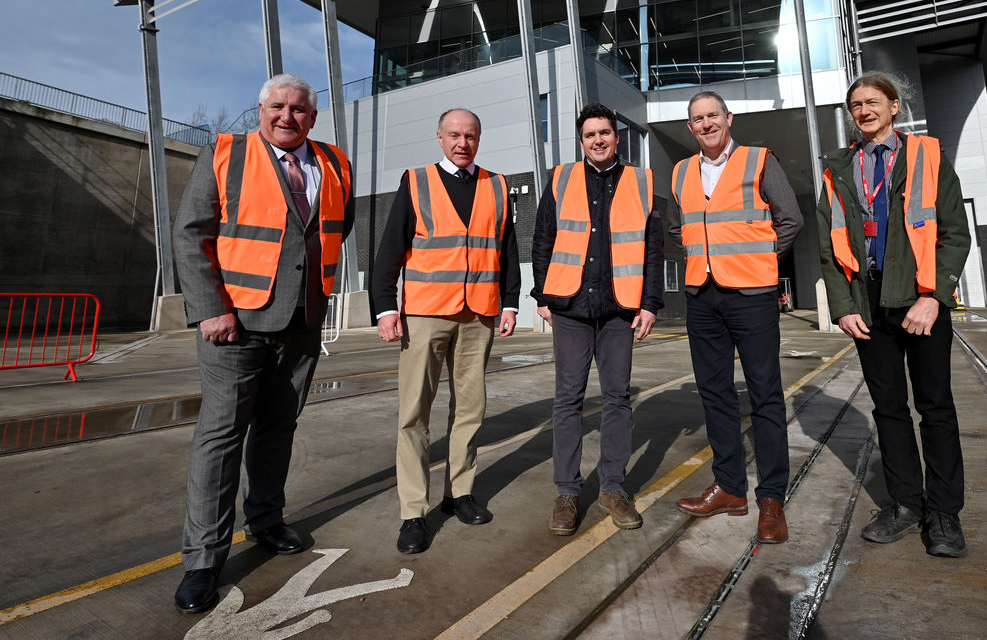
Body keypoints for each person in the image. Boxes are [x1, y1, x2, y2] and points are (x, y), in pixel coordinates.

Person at [171, 73, 355, 615]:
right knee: (221, 437)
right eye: (278, 106)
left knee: (279, 429)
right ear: (260, 110)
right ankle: (203, 561)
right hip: (235, 324)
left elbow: (329, 231)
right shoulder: (226, 154)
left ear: (312, 118)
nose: (287, 116)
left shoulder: (335, 163)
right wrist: (211, 309)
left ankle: (267, 521)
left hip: (302, 320)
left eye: (299, 109)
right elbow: (191, 234)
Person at [816, 71, 971, 558]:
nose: (863, 111)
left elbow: (954, 234)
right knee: (889, 410)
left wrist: (934, 296)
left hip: (919, 299)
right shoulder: (838, 166)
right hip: (867, 302)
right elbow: (828, 243)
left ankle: (944, 513)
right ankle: (906, 504)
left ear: (893, 107)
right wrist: (842, 307)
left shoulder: (927, 156)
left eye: (872, 102)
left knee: (935, 408)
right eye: (855, 105)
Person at [372, 108, 519, 555]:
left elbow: (507, 250)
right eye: (454, 135)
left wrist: (510, 302)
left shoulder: (496, 185)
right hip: (425, 313)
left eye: (470, 135)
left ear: (479, 138)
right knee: (414, 415)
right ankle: (414, 511)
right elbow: (390, 248)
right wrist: (384, 306)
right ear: (439, 138)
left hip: (479, 314)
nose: (462, 143)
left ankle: (460, 494)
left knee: (469, 410)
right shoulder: (416, 181)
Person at [667, 91, 801, 544]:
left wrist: (760, 263)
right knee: (715, 394)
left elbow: (791, 220)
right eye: (697, 119)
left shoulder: (760, 160)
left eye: (712, 116)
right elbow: (676, 226)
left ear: (728, 119)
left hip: (752, 295)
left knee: (765, 395)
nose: (705, 124)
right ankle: (729, 488)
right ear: (690, 128)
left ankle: (771, 498)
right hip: (702, 297)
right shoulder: (682, 171)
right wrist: (699, 261)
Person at [531, 103, 664, 536]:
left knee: (617, 398)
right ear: (581, 140)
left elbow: (652, 247)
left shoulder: (640, 181)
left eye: (605, 132)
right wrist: (543, 295)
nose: (598, 140)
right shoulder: (561, 177)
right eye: (590, 135)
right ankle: (567, 493)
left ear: (616, 137)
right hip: (569, 306)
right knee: (567, 400)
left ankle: (612, 488)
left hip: (620, 309)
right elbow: (543, 239)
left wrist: (650, 303)